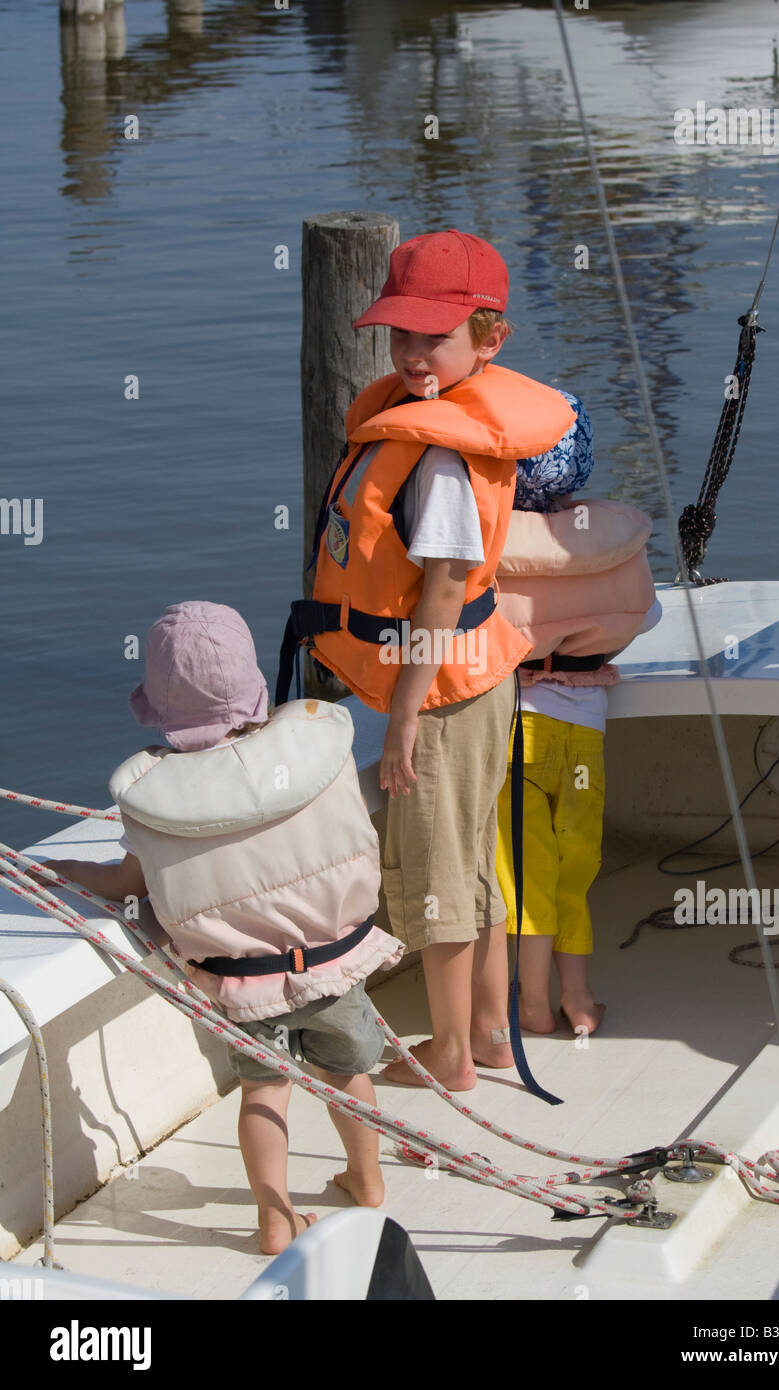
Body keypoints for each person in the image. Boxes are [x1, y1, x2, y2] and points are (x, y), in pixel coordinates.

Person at [277, 229, 576, 1091]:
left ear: (490, 341)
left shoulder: (441, 452)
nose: (411, 356)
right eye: (400, 336)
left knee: (438, 878)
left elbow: (442, 589)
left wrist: (404, 714)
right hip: (477, 678)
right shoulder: (440, 422)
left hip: (441, 691)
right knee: (472, 865)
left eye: (433, 339)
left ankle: (449, 1058)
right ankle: (483, 1031)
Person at [42, 601, 404, 1254]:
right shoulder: (315, 751)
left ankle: (274, 1217)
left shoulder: (160, 798)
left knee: (264, 1090)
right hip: (332, 962)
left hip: (245, 986)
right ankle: (366, 1177)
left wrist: (60, 869)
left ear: (157, 706)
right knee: (350, 1076)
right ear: (256, 687)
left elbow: (128, 886)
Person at [494, 395, 660, 1036]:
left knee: (527, 869)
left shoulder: (499, 543)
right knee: (575, 865)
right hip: (583, 739)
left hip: (521, 735)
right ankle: (580, 1000)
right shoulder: (610, 539)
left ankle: (531, 1006)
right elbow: (648, 615)